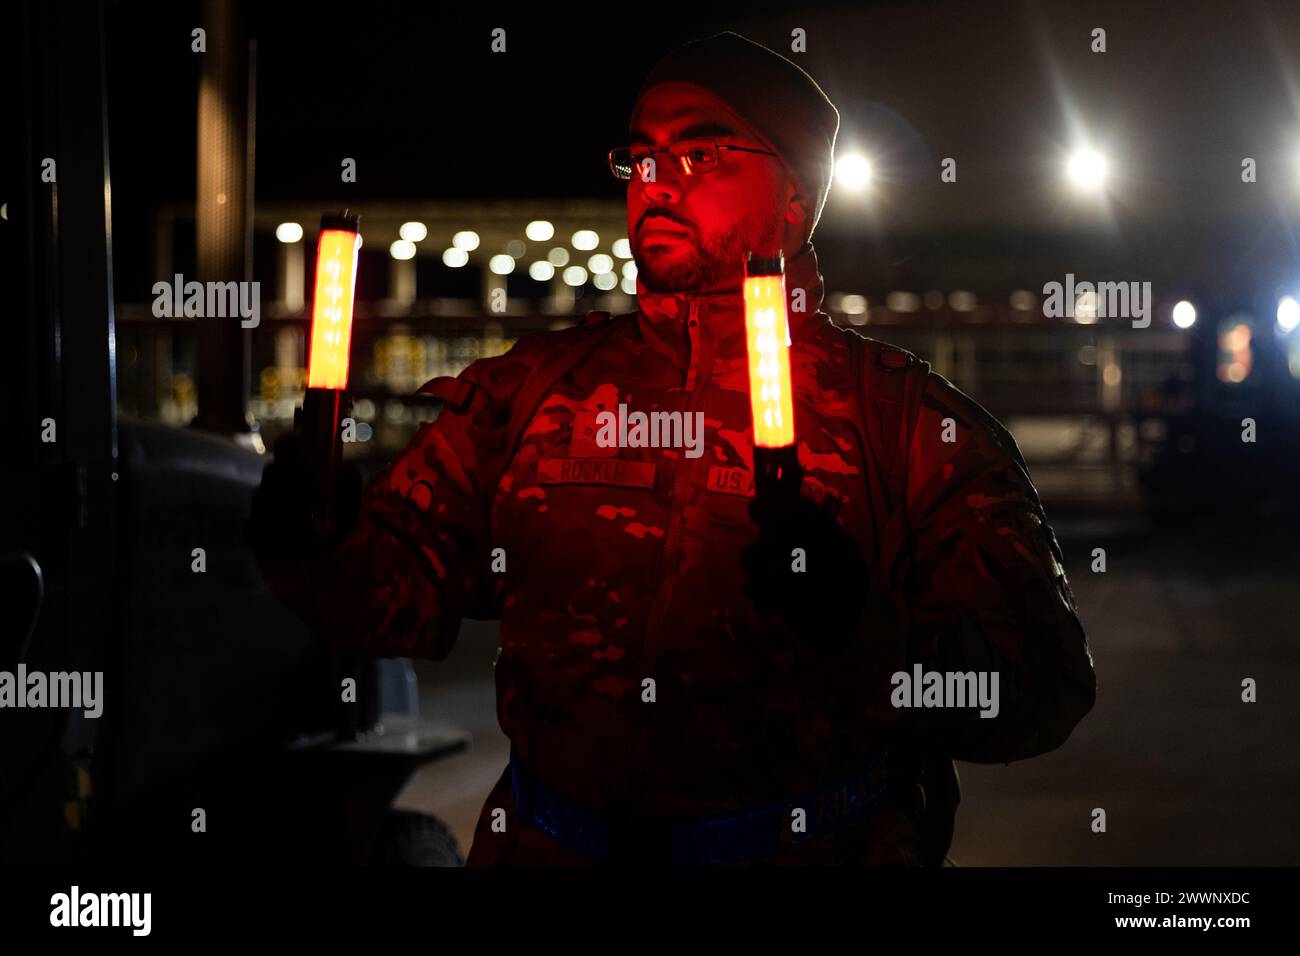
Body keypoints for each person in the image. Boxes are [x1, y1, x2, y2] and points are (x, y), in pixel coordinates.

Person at [249, 31, 1096, 867]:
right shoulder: (534, 392)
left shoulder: (908, 426)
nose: (656, 182)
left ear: (796, 198)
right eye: (643, 159)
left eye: (701, 155)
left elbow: (1036, 692)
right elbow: (395, 591)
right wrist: (314, 540)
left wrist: (867, 633)